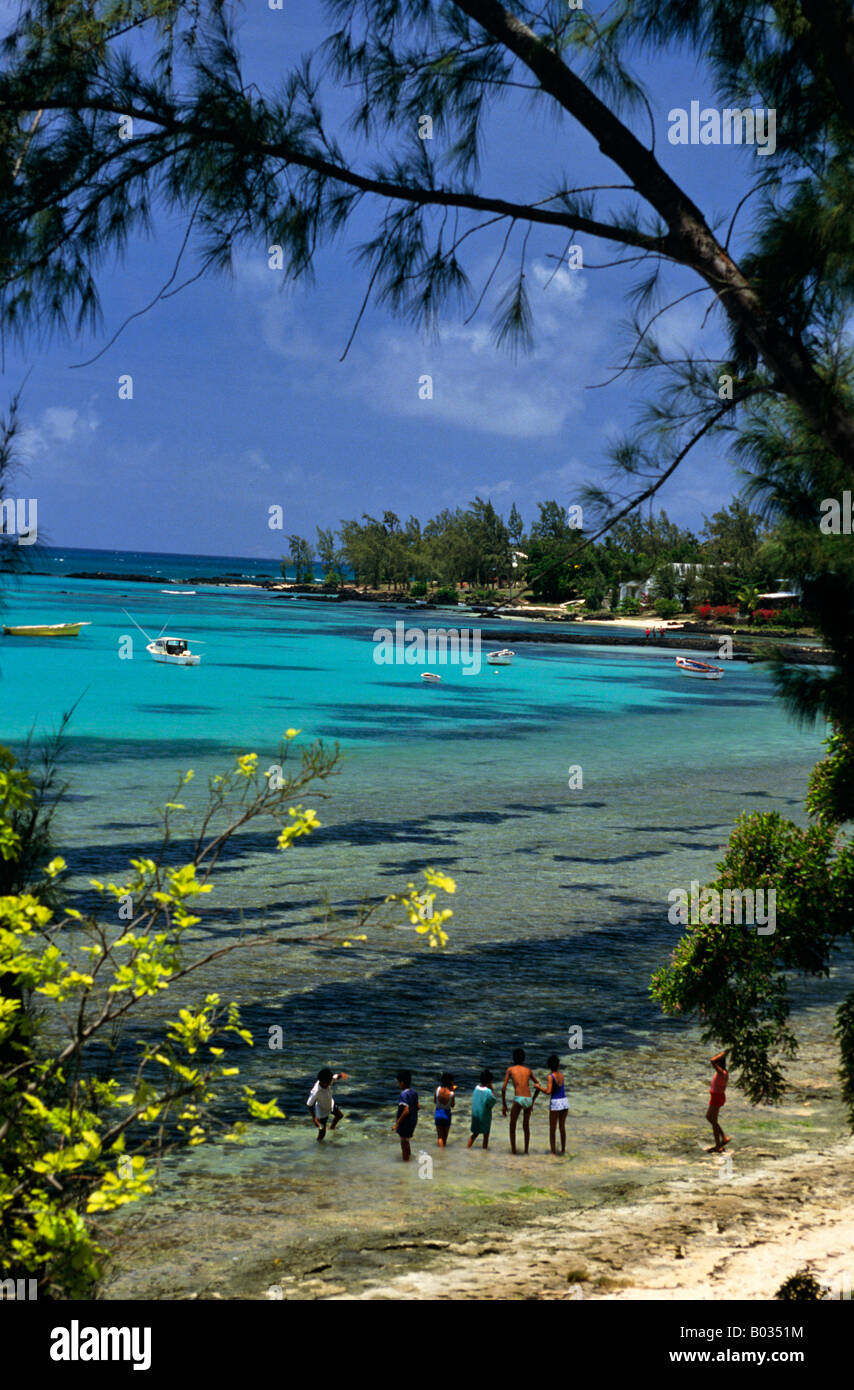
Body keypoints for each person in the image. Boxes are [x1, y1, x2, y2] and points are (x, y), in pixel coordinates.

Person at [502, 1047, 541, 1154]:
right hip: (528, 1098)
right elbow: (538, 1085)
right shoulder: (528, 1070)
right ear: (524, 1059)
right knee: (526, 1126)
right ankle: (526, 1151)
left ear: (513, 1058)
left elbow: (503, 1088)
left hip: (518, 1099)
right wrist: (533, 1100)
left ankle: (514, 1151)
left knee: (512, 1125)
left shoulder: (510, 1069)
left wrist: (504, 1105)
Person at [306, 1066, 349, 1142]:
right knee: (322, 1133)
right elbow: (309, 1104)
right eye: (328, 1083)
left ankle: (332, 1128)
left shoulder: (328, 1080)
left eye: (330, 1082)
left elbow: (336, 1076)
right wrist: (314, 1119)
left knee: (340, 1115)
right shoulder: (316, 1091)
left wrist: (341, 1075)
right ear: (322, 1081)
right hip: (321, 1111)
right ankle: (319, 1146)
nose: (330, 1084)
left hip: (330, 1104)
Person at [540, 1053, 569, 1155]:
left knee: (552, 1129)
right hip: (564, 1101)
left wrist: (538, 1087)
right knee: (562, 1128)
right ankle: (563, 1149)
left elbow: (548, 1092)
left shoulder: (550, 1076)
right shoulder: (561, 1075)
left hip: (556, 1102)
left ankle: (553, 1152)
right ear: (558, 1064)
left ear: (549, 1065)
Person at [393, 1069, 420, 1161]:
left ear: (403, 1083)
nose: (398, 1084)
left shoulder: (403, 1095)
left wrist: (397, 1123)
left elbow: (406, 1110)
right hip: (413, 1120)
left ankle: (406, 1162)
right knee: (406, 1140)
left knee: (403, 1143)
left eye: (399, 1082)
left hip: (405, 1122)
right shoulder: (414, 1092)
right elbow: (418, 1106)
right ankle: (408, 1158)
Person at [706, 1050, 730, 1152]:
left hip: (717, 1097)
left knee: (713, 1120)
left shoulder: (721, 1072)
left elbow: (712, 1061)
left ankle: (718, 1145)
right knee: (709, 1117)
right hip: (717, 1096)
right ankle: (723, 1137)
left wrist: (722, 1054)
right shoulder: (723, 1072)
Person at [467, 1069, 497, 1150]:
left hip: (475, 1115)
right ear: (489, 1081)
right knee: (486, 1135)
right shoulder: (488, 1091)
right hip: (484, 1116)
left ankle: (467, 1148)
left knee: (475, 1134)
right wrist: (492, 1089)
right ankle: (484, 1151)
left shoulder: (476, 1088)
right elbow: (493, 1101)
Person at [434, 1072, 456, 1146]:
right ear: (450, 1082)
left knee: (439, 1137)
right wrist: (453, 1091)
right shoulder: (452, 1093)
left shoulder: (437, 1089)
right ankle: (443, 1153)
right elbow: (452, 1105)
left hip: (438, 1113)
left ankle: (440, 1154)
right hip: (446, 1114)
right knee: (445, 1137)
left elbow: (434, 1101)